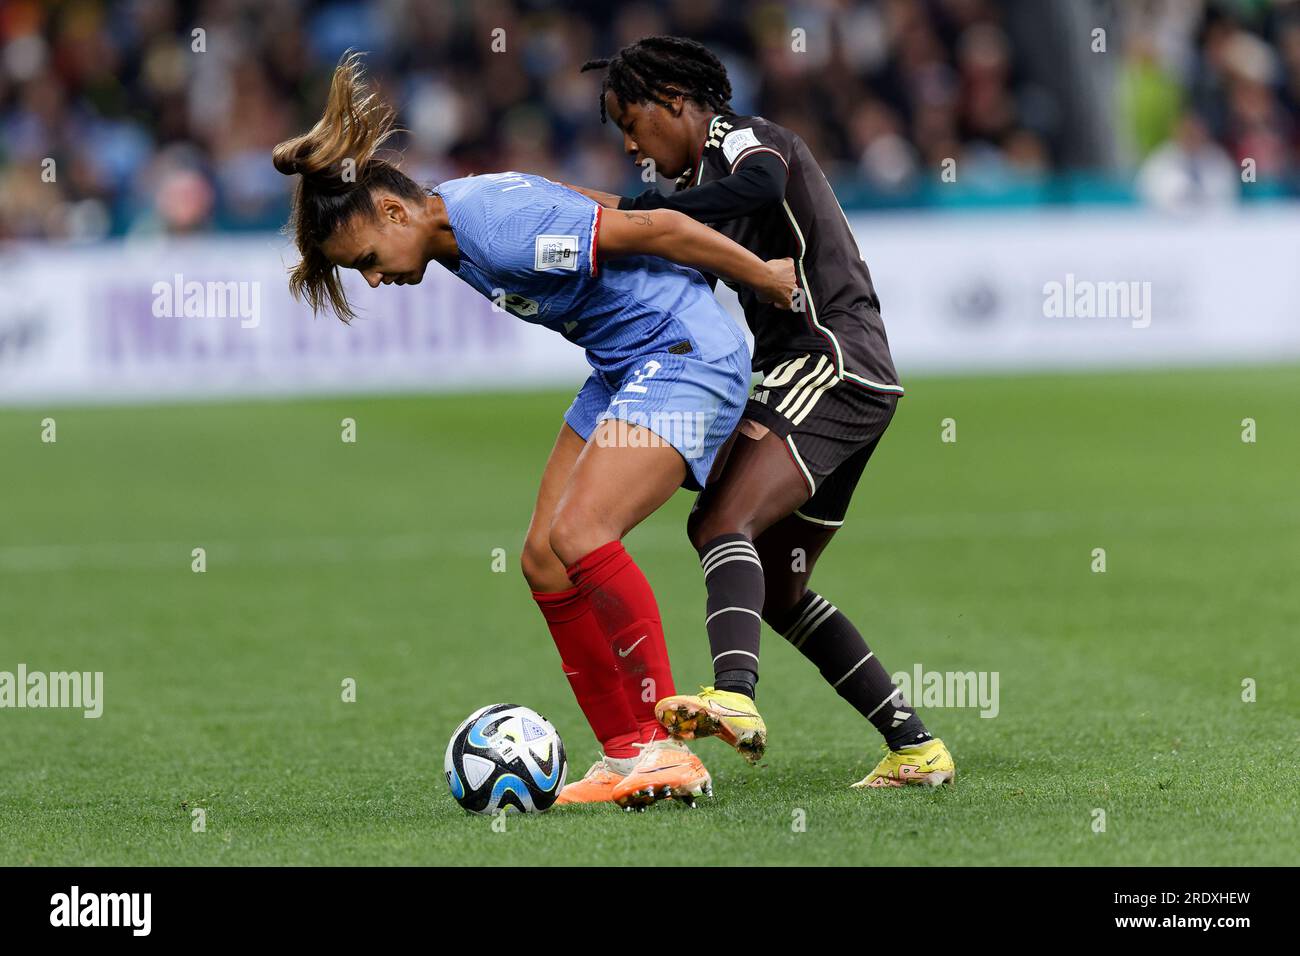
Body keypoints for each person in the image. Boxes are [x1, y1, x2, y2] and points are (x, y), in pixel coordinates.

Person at [273, 53, 797, 809]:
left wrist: (762, 276)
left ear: (393, 213)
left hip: (685, 355)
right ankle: (625, 755)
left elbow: (660, 228)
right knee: (544, 561)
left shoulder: (494, 229)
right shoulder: (449, 222)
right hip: (625, 364)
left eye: (366, 263)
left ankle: (667, 752)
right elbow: (579, 201)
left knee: (583, 533)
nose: (376, 281)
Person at [572, 37, 954, 790]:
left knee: (720, 522)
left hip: (831, 363)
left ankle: (736, 696)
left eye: (631, 119)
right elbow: (663, 250)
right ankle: (916, 749)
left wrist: (661, 212)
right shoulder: (698, 186)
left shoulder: (745, 139)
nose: (628, 142)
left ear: (676, 101)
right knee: (777, 587)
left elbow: (756, 186)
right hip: (808, 377)